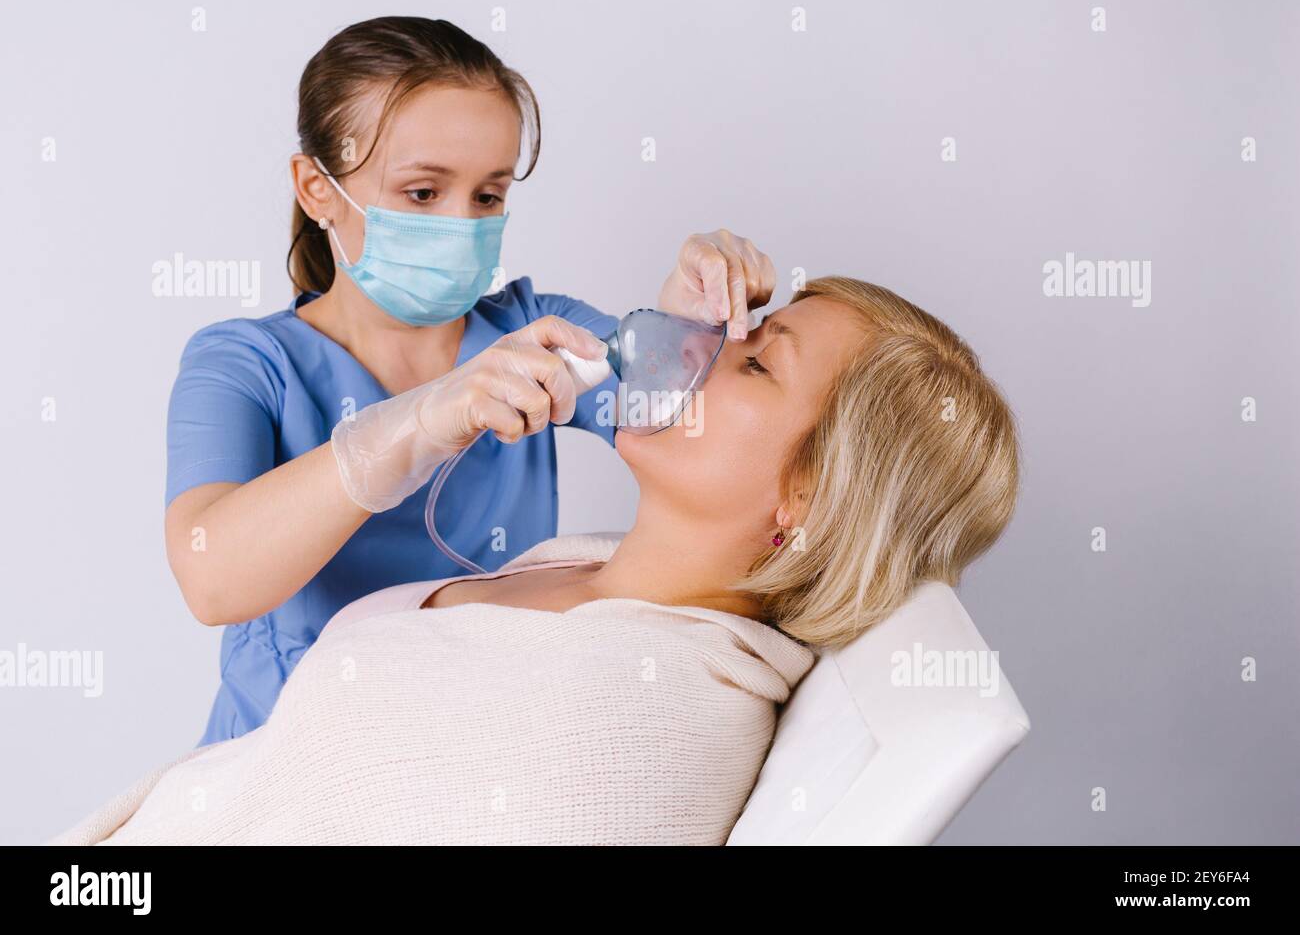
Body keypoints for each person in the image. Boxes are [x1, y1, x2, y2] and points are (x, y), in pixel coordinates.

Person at [56, 276, 1021, 845]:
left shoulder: (621, 724)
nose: (703, 347)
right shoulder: (596, 568)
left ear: (810, 497)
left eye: (757, 360)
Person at [163, 16, 777, 747]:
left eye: (487, 197)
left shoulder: (536, 331)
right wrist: (418, 424)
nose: (461, 225)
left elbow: (687, 428)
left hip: (470, 756)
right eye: (423, 193)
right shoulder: (245, 364)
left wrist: (686, 316)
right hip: (282, 769)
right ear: (317, 189)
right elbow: (214, 579)